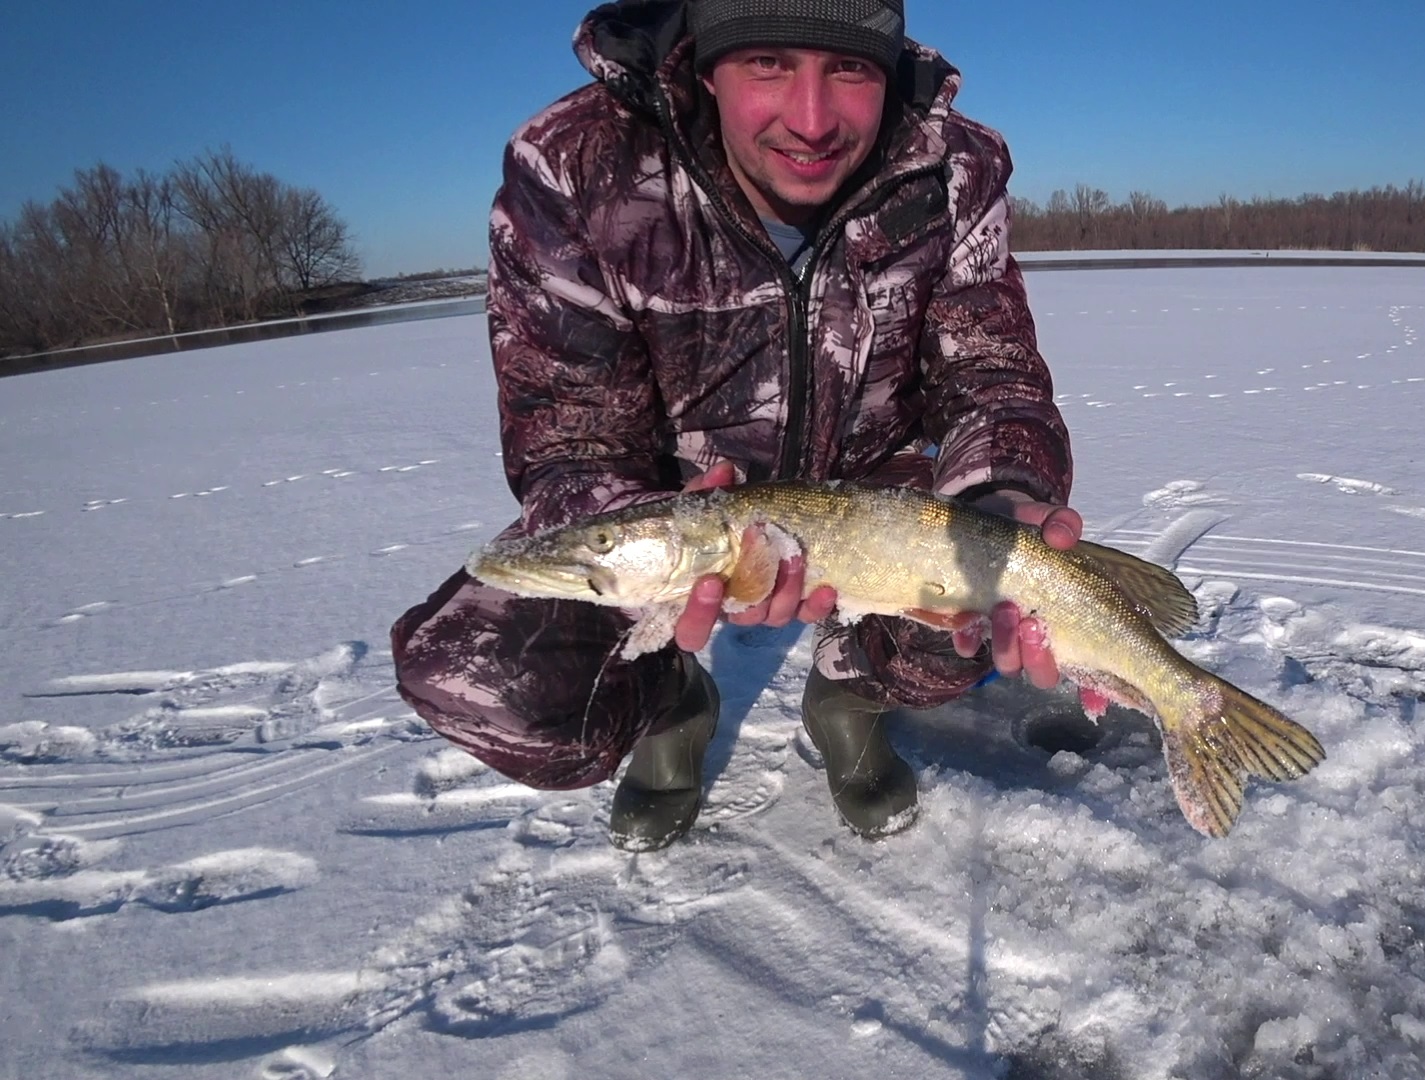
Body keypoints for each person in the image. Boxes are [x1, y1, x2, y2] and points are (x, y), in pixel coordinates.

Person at [391, 0, 1080, 851]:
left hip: (878, 482)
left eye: (851, 68)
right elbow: (569, 427)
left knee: (985, 603)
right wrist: (646, 559)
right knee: (483, 680)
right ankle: (673, 703)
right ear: (705, 65)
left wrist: (1003, 490)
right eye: (768, 64)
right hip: (671, 499)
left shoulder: (953, 167)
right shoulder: (576, 167)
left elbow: (990, 371)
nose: (812, 118)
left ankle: (851, 695)